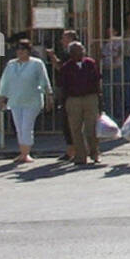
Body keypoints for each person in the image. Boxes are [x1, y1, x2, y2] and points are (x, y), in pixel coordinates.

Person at [0, 39, 52, 164]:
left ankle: (26, 153)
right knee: (19, 127)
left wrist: (49, 95)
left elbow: (44, 80)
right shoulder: (11, 64)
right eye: (18, 49)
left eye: (23, 49)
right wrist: (2, 97)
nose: (20, 52)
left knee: (27, 126)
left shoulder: (36, 64)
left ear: (28, 51)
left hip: (32, 100)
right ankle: (22, 152)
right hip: (15, 100)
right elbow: (5, 81)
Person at [59, 41, 102, 166]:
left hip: (90, 97)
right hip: (73, 100)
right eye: (77, 50)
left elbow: (97, 80)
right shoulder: (66, 67)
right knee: (75, 129)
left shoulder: (90, 63)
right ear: (71, 53)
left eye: (81, 49)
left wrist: (99, 101)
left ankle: (95, 153)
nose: (81, 52)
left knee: (91, 128)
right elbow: (62, 85)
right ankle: (80, 156)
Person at [50, 29, 79, 162]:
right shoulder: (69, 53)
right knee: (68, 122)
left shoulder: (70, 55)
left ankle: (74, 151)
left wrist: (52, 57)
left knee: (71, 122)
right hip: (68, 90)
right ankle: (72, 150)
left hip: (71, 91)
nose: (62, 41)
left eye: (64, 38)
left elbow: (60, 68)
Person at [100, 25, 125, 123]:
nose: (109, 33)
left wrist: (115, 58)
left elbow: (119, 52)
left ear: (115, 32)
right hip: (106, 68)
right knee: (107, 92)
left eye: (111, 31)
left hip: (116, 68)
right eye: (107, 31)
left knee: (117, 91)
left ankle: (119, 113)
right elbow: (101, 54)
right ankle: (109, 113)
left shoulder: (118, 40)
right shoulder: (104, 42)